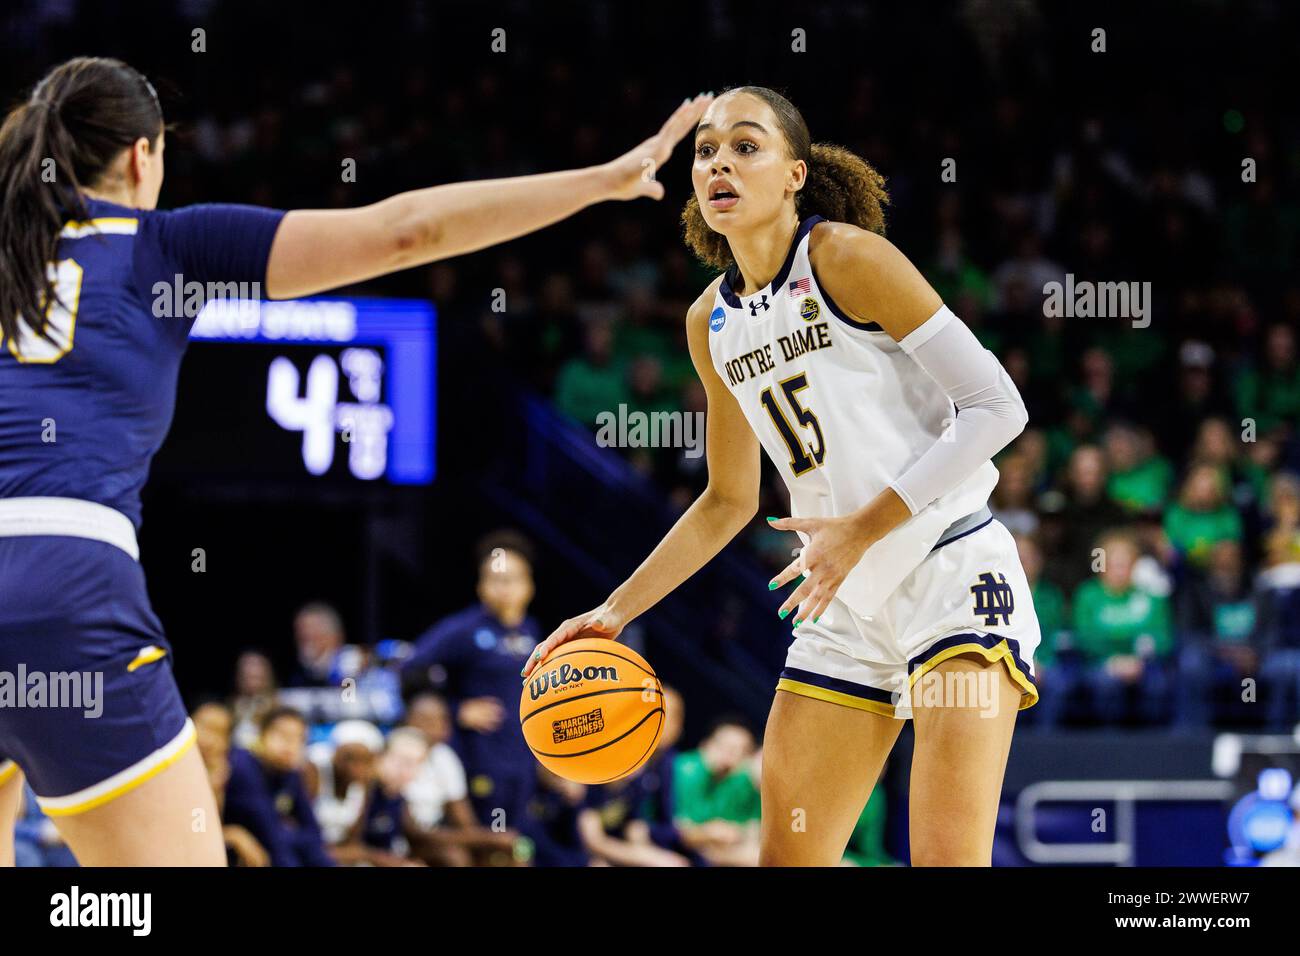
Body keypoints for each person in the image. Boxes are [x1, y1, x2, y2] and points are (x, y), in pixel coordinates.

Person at [0, 55, 710, 866]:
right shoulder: (163, 245)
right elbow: (407, 228)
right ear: (141, 156)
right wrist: (600, 181)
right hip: (70, 578)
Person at [526, 86, 1040, 866]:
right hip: (842, 604)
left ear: (796, 174)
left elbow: (998, 407)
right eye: (705, 151)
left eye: (745, 145)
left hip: (952, 572)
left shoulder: (847, 258)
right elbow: (727, 500)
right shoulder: (712, 322)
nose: (719, 164)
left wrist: (862, 529)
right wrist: (613, 611)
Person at [402, 531, 541, 831]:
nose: (504, 588)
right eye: (495, 579)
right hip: (480, 758)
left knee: (516, 843)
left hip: (522, 759)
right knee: (486, 842)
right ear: (481, 585)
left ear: (528, 585)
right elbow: (410, 671)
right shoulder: (462, 630)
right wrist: (455, 710)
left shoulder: (531, 631)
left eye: (512, 579)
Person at [221, 707, 336, 867]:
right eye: (283, 735)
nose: (291, 745)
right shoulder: (242, 766)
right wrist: (290, 832)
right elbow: (270, 836)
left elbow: (313, 834)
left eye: (299, 739)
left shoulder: (289, 773)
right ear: (262, 734)